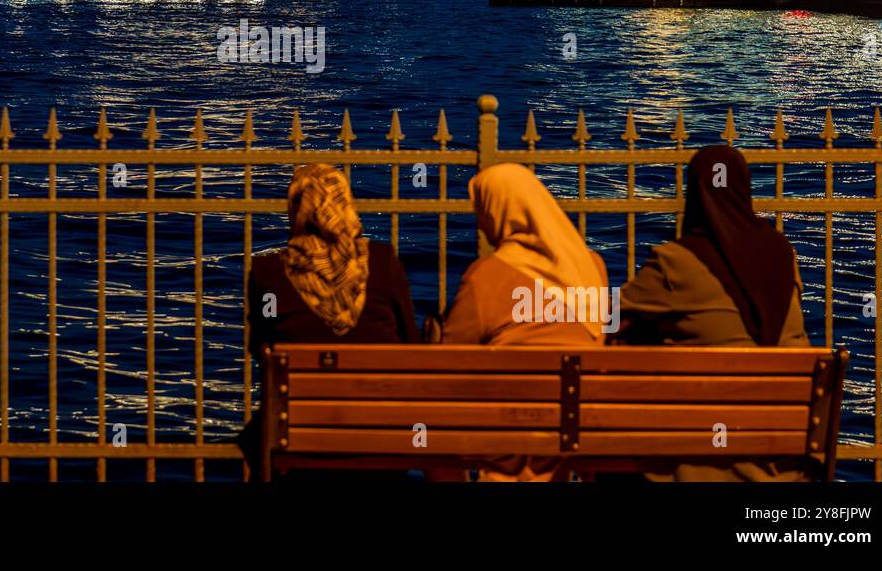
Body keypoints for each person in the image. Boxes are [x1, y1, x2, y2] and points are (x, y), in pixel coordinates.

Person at [618, 144, 812, 481]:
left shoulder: (674, 262)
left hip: (694, 464)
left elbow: (610, 316)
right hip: (781, 459)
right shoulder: (783, 254)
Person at [241, 164, 418, 474]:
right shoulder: (383, 262)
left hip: (296, 440)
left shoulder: (267, 273)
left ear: (296, 207)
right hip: (382, 438)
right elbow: (411, 345)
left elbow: (261, 349)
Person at [440, 164, 610, 481]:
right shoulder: (593, 267)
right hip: (575, 431)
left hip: (501, 436)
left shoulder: (486, 276)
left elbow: (452, 358)